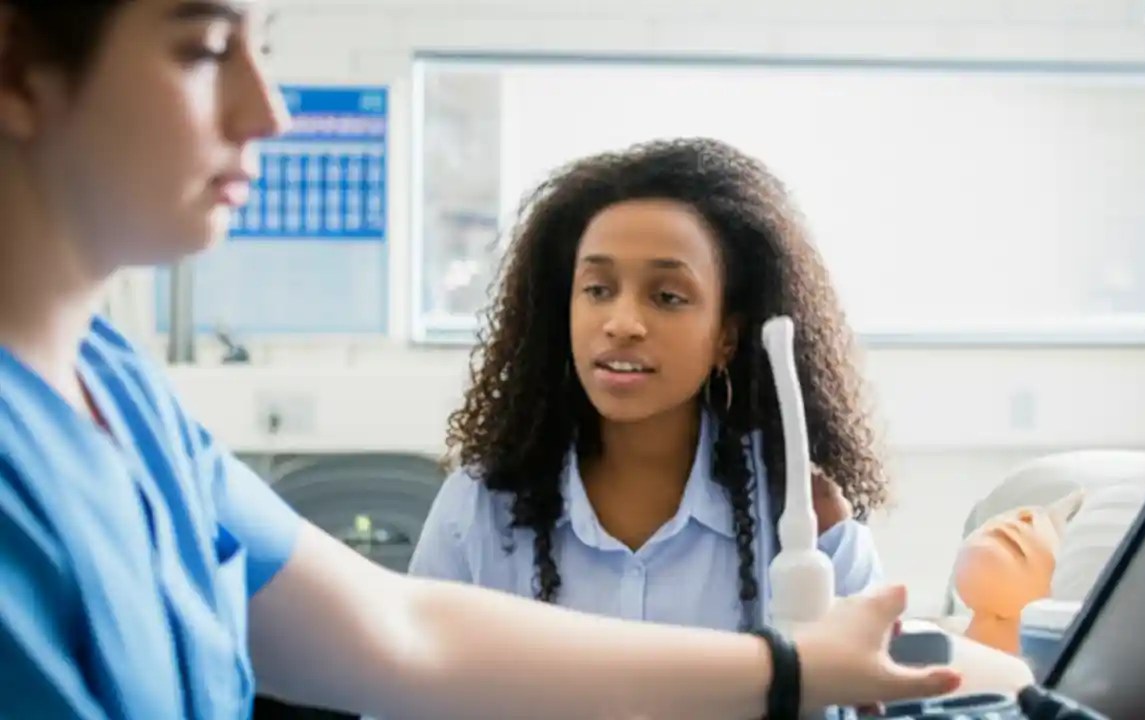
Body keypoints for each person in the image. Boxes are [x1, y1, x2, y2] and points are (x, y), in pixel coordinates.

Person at [0, 1, 962, 719]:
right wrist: (784, 668)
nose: (272, 110)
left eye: (668, 294)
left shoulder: (123, 402)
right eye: (208, 49)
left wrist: (798, 666)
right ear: (13, 64)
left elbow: (404, 633)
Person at [408, 138, 886, 640]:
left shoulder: (802, 512)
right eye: (598, 289)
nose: (622, 323)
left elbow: (879, 695)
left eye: (667, 296)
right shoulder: (481, 505)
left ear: (726, 335)